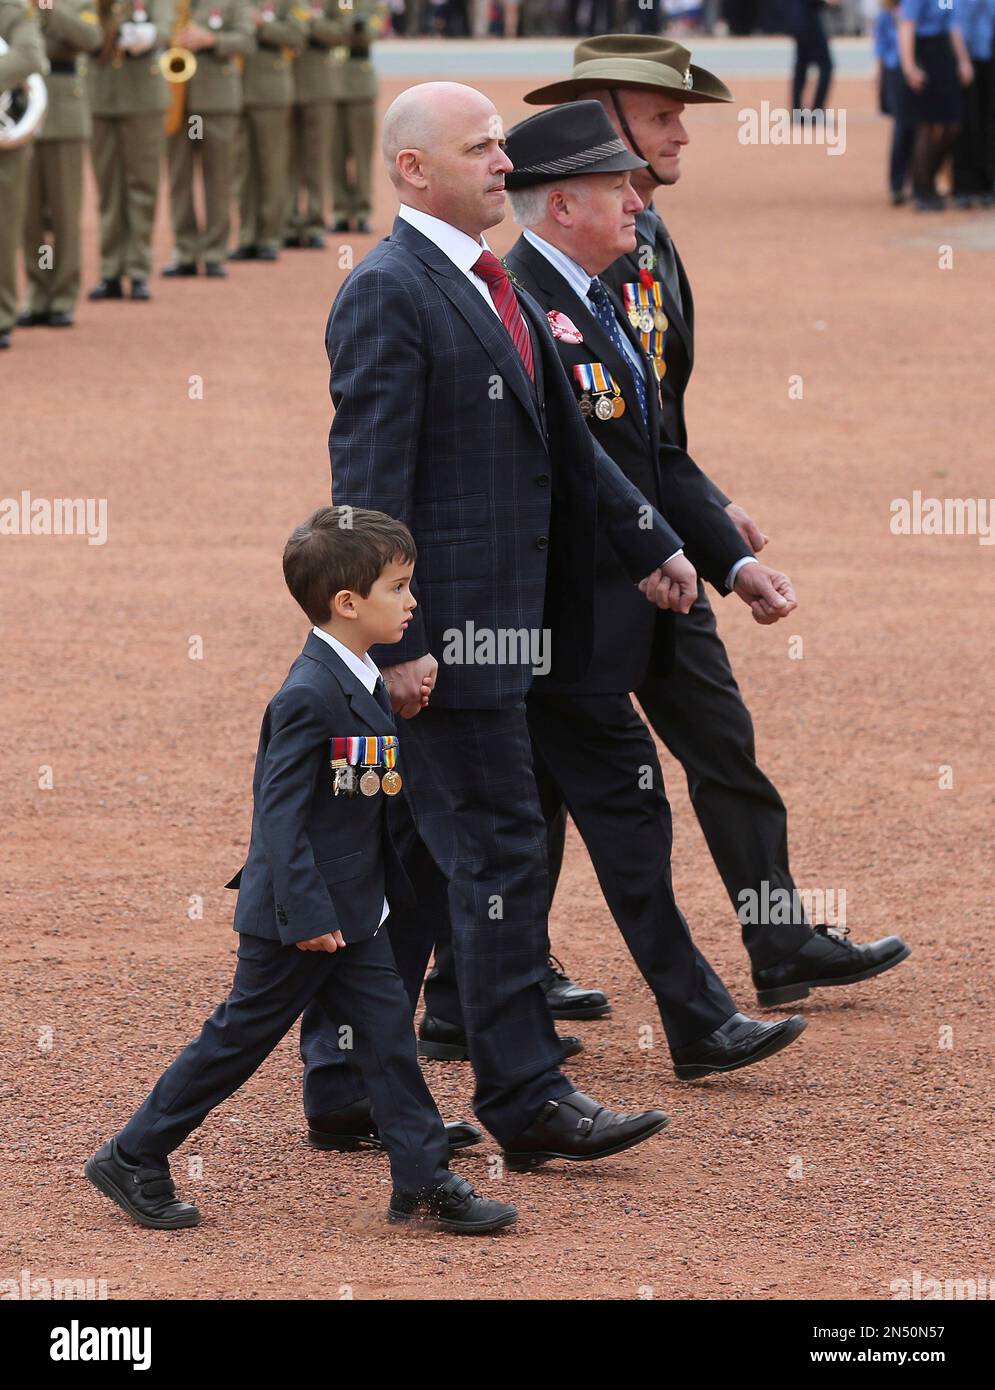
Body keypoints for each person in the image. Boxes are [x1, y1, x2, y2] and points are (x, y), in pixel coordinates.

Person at [300, 80, 685, 1170]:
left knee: (416, 862)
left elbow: (571, 447)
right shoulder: (389, 289)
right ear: (412, 169)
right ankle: (523, 1095)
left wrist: (652, 541)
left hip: (499, 632)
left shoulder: (486, 281)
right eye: (479, 150)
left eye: (501, 147)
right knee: (504, 847)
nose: (502, 165)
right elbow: (364, 487)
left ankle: (340, 1083)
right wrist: (396, 637)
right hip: (443, 638)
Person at [420, 100, 809, 1082]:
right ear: (560, 209)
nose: (639, 200)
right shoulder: (521, 305)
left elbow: (653, 454)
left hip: (600, 614)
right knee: (617, 812)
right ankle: (694, 1017)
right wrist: (652, 547)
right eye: (616, 188)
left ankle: (455, 1007)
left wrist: (727, 556)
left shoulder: (595, 296)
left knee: (519, 823)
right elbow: (574, 469)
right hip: (555, 621)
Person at [522, 35, 911, 1008]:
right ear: (601, 120)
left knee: (719, 741)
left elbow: (647, 419)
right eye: (659, 118)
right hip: (585, 565)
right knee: (551, 779)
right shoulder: (551, 259)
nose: (679, 135)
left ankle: (777, 942)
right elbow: (573, 443)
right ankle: (483, 976)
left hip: (670, 549)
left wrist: (712, 528)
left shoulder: (644, 237)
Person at [84, 507, 517, 1237]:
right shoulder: (309, 694)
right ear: (347, 603)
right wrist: (309, 912)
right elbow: (278, 818)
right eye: (400, 586)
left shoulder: (360, 678)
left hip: (357, 911)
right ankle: (134, 1153)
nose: (413, 601)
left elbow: (352, 797)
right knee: (236, 1041)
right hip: (302, 920)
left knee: (387, 1040)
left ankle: (423, 1179)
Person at [17, 1, 100, 330]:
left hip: (64, 115)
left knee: (64, 213)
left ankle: (63, 296)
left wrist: (50, 9)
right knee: (30, 216)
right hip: (23, 114)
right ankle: (38, 292)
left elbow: (91, 38)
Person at [87, 0, 174, 302]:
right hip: (101, 96)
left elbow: (164, 27)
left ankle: (138, 270)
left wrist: (146, 36)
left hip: (144, 99)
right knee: (108, 188)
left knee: (142, 185)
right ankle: (110, 270)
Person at [162, 0, 254, 277]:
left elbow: (247, 40)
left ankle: (215, 251)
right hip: (177, 100)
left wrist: (211, 39)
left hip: (217, 101)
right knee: (179, 179)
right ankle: (185, 251)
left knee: (219, 177)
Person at [231, 0, 306, 261]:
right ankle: (247, 235)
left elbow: (297, 35)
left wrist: (263, 25)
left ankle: (270, 236)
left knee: (272, 167)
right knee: (244, 170)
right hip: (236, 89)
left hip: (270, 91)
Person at [0, 0, 47, 350]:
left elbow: (31, 57)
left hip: (6, 139)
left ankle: (1, 316)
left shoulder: (11, 10)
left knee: (3, 230)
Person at [898, 0, 974, 210]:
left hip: (943, 51)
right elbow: (907, 26)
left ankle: (929, 177)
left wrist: (963, 60)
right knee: (928, 124)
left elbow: (952, 26)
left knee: (953, 124)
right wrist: (909, 67)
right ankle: (921, 188)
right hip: (924, 50)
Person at [283, 0, 337, 248]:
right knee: (286, 159)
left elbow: (341, 33)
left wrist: (310, 22)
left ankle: (315, 221)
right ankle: (289, 221)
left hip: (318, 85)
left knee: (317, 157)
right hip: (283, 82)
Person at [327, 0, 384, 234]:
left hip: (359, 85)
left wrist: (338, 30)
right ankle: (340, 210)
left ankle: (361, 211)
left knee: (361, 154)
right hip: (330, 83)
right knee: (335, 155)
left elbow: (369, 33)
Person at [952, 0, 995, 206]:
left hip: (987, 52)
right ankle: (964, 186)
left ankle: (987, 182)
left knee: (988, 121)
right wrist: (962, 59)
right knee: (967, 122)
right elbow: (953, 22)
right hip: (965, 57)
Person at [875, 0, 917, 204]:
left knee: (921, 127)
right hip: (896, 71)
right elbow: (881, 47)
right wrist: (879, 75)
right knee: (903, 126)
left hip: (918, 67)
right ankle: (897, 183)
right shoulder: (886, 12)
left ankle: (919, 180)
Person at [787, 0, 836, 114]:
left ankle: (797, 111)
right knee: (826, 67)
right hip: (809, 23)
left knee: (801, 67)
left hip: (799, 20)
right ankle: (816, 111)